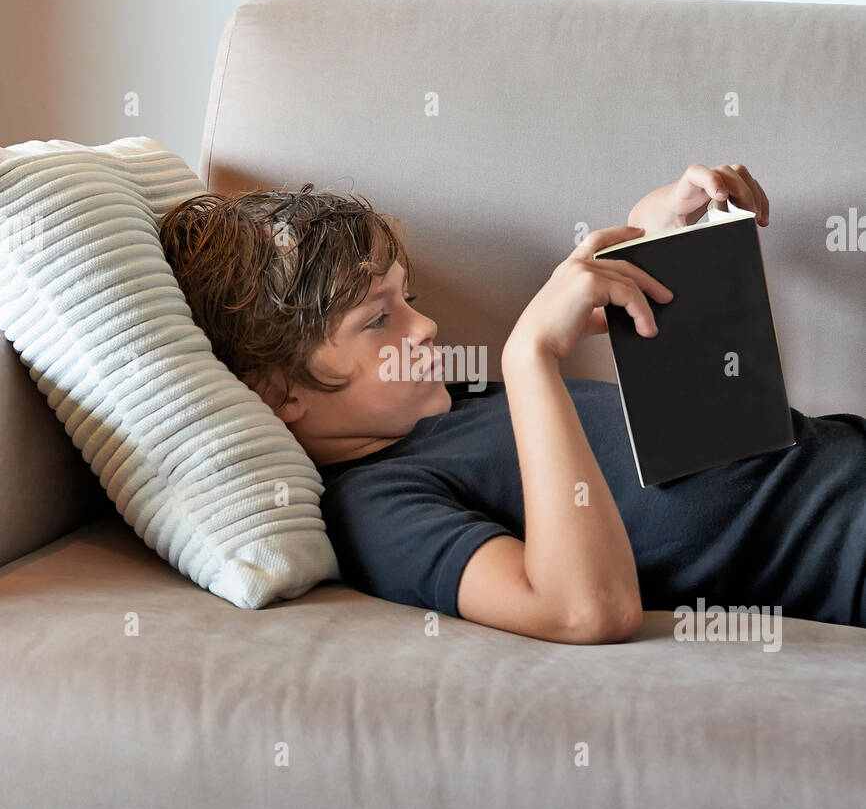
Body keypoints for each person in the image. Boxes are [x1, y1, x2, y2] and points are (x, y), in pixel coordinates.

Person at [159, 163, 866, 642]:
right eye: (379, 320)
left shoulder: (449, 401)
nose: (425, 326)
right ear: (279, 394)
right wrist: (530, 359)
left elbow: (690, 434)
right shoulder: (376, 503)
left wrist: (658, 237)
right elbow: (585, 610)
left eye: (409, 300)